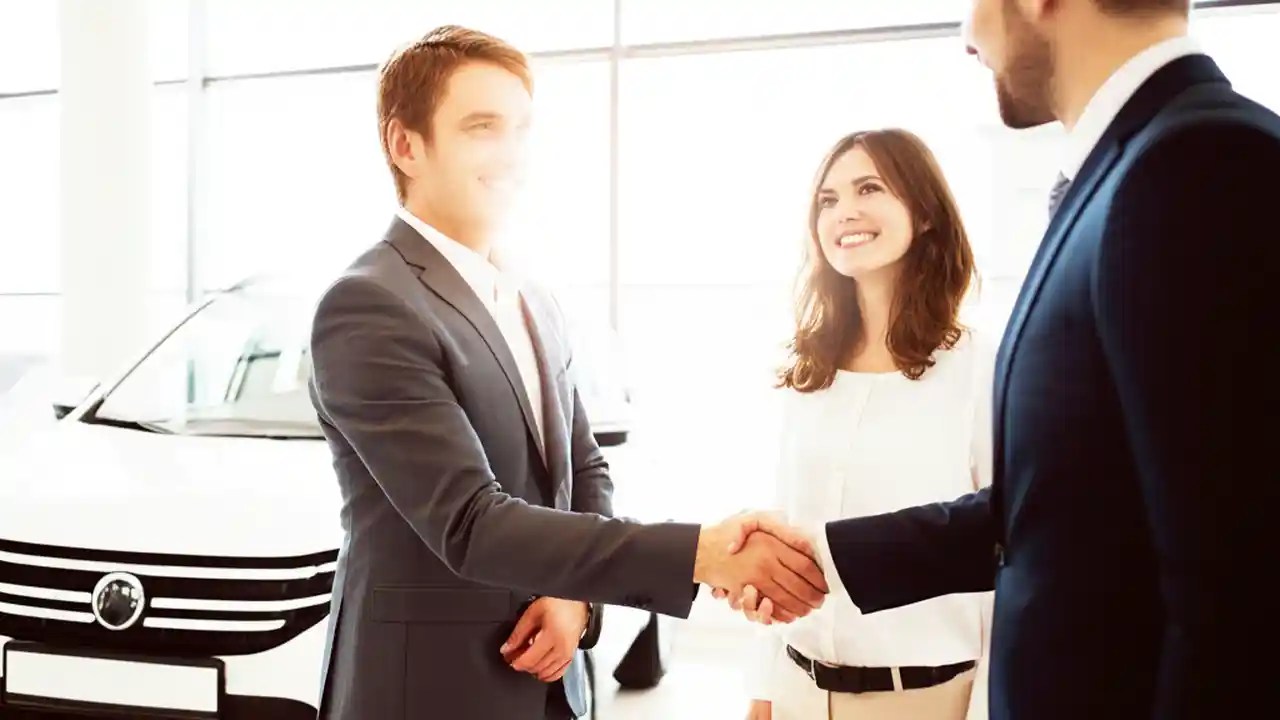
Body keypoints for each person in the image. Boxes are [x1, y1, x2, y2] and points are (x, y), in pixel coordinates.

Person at [724, 1, 1280, 718]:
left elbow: (1241, 587)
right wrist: (811, 560)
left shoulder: (1199, 163)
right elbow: (1053, 509)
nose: (966, 33)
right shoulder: (1128, 168)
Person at [306, 26, 828, 720]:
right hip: (427, 689)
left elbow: (584, 469)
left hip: (555, 684)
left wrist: (573, 597)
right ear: (407, 145)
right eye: (482, 128)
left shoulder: (534, 296)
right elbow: (471, 523)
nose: (511, 153)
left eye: (521, 129)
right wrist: (702, 552)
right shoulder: (369, 302)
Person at [718, 129, 995, 720]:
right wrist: (764, 691)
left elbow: (1007, 549)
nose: (845, 211)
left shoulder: (981, 367)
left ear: (923, 213)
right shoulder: (809, 369)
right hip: (800, 690)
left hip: (929, 700)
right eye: (828, 199)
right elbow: (791, 531)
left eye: (869, 188)